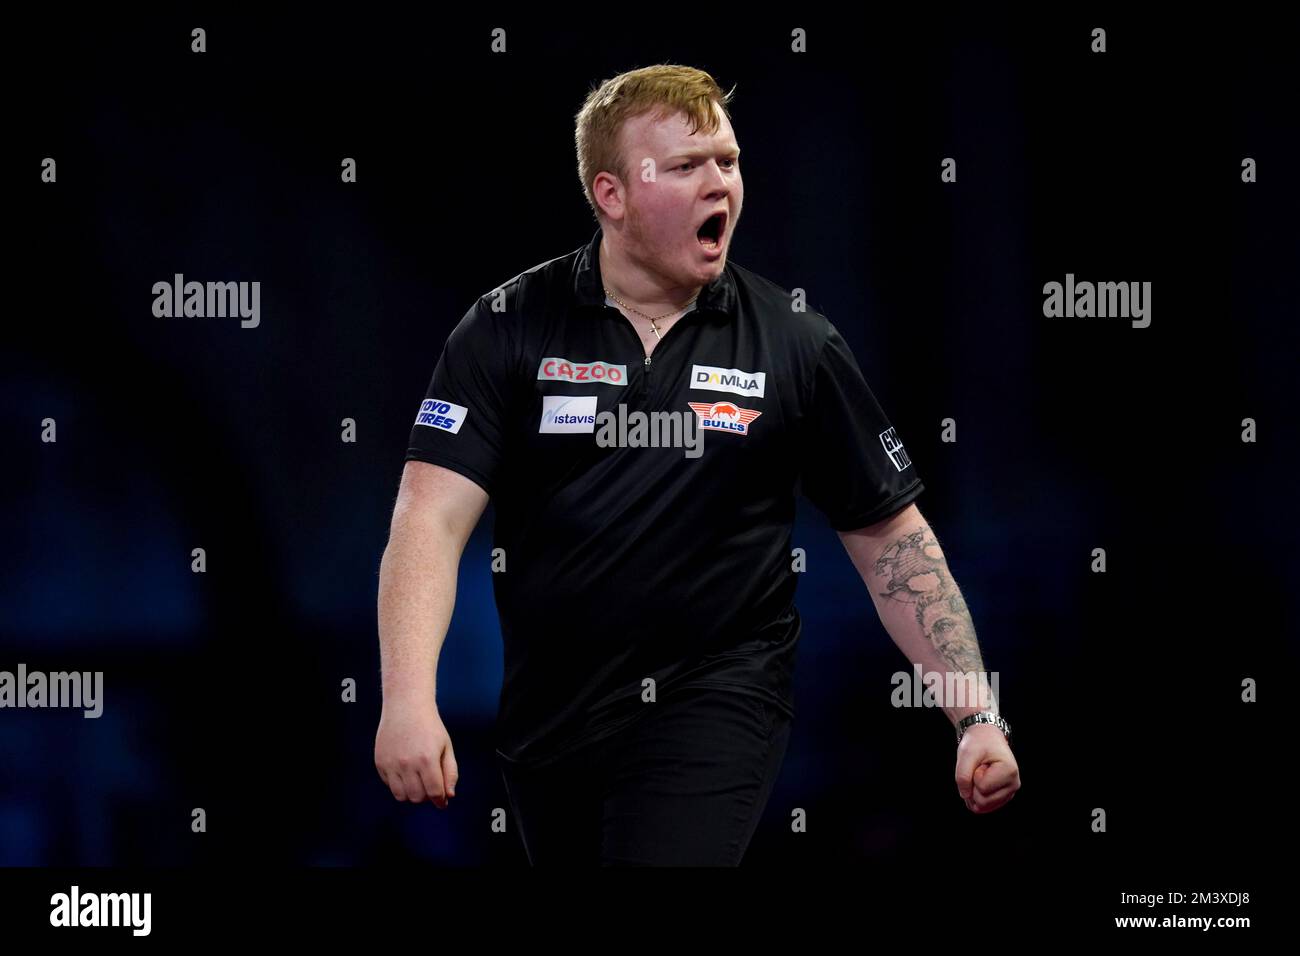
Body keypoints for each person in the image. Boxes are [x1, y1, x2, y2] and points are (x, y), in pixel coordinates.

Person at [374, 64, 1020, 865]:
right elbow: (428, 519)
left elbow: (894, 541)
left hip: (718, 697)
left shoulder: (795, 343)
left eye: (728, 160)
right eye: (686, 166)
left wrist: (975, 717)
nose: (721, 184)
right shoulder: (506, 326)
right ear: (611, 195)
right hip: (549, 721)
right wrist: (407, 699)